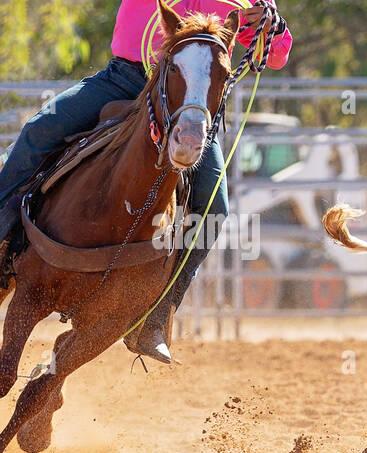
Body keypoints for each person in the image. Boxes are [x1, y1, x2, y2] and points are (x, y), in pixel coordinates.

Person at [0, 0, 292, 364]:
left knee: (214, 204)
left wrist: (271, 25)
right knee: (40, 131)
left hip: (190, 102)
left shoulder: (250, 2)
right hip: (125, 78)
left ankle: (156, 314)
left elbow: (276, 55)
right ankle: (4, 241)